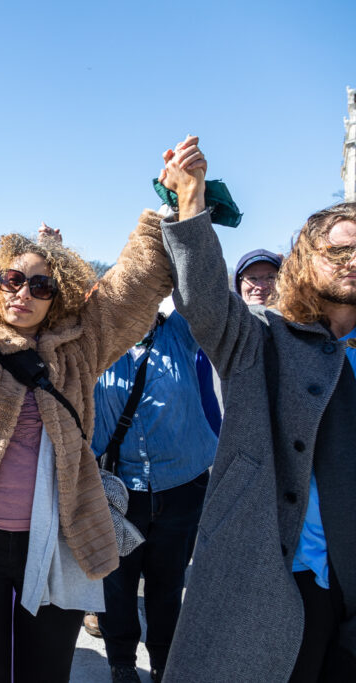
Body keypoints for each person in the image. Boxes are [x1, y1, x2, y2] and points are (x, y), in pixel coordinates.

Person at [0, 121, 173, 682]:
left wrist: (171, 205)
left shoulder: (80, 349)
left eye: (41, 286)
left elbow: (132, 288)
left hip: (56, 537)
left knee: (47, 674)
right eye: (13, 279)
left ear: (58, 297)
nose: (24, 292)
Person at [158, 137, 356, 681]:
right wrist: (191, 202)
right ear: (305, 261)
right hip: (277, 582)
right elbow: (205, 302)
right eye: (338, 251)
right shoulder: (263, 339)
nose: (353, 262)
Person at [90, 309, 217, 683]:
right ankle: (122, 661)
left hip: (181, 487)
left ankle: (164, 660)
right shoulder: (98, 343)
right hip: (118, 490)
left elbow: (199, 293)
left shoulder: (178, 334)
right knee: (117, 584)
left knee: (168, 582)